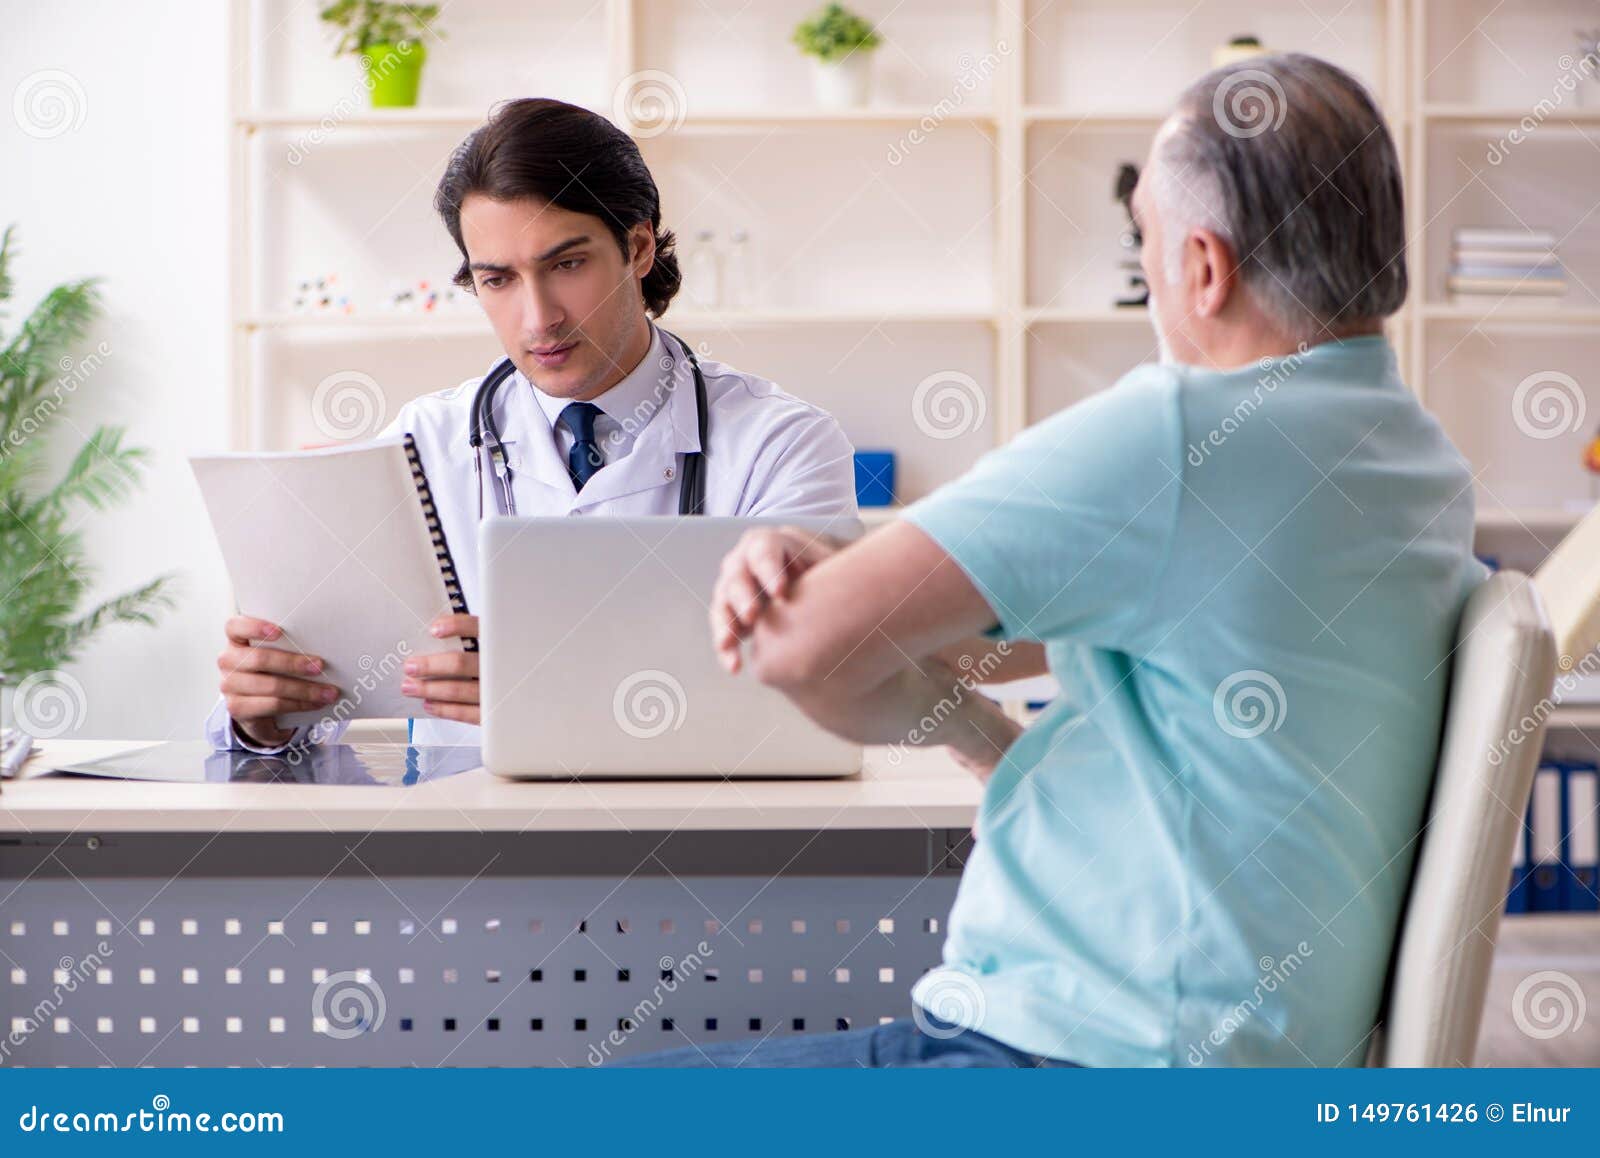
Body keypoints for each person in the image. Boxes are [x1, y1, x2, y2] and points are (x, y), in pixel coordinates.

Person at [632, 53, 1486, 1068]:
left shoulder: (1182, 436)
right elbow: (1107, 634)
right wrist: (860, 584)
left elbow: (797, 647)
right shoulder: (1413, 458)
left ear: (1202, 269)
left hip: (1074, 1060)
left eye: (1146, 244)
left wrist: (827, 591)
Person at [206, 98, 857, 754]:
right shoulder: (414, 448)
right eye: (498, 280)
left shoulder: (782, 447)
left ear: (635, 247)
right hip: (466, 844)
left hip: (690, 843)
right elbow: (316, 708)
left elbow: (822, 702)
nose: (537, 317)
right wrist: (260, 720)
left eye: (566, 265)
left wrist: (563, 699)